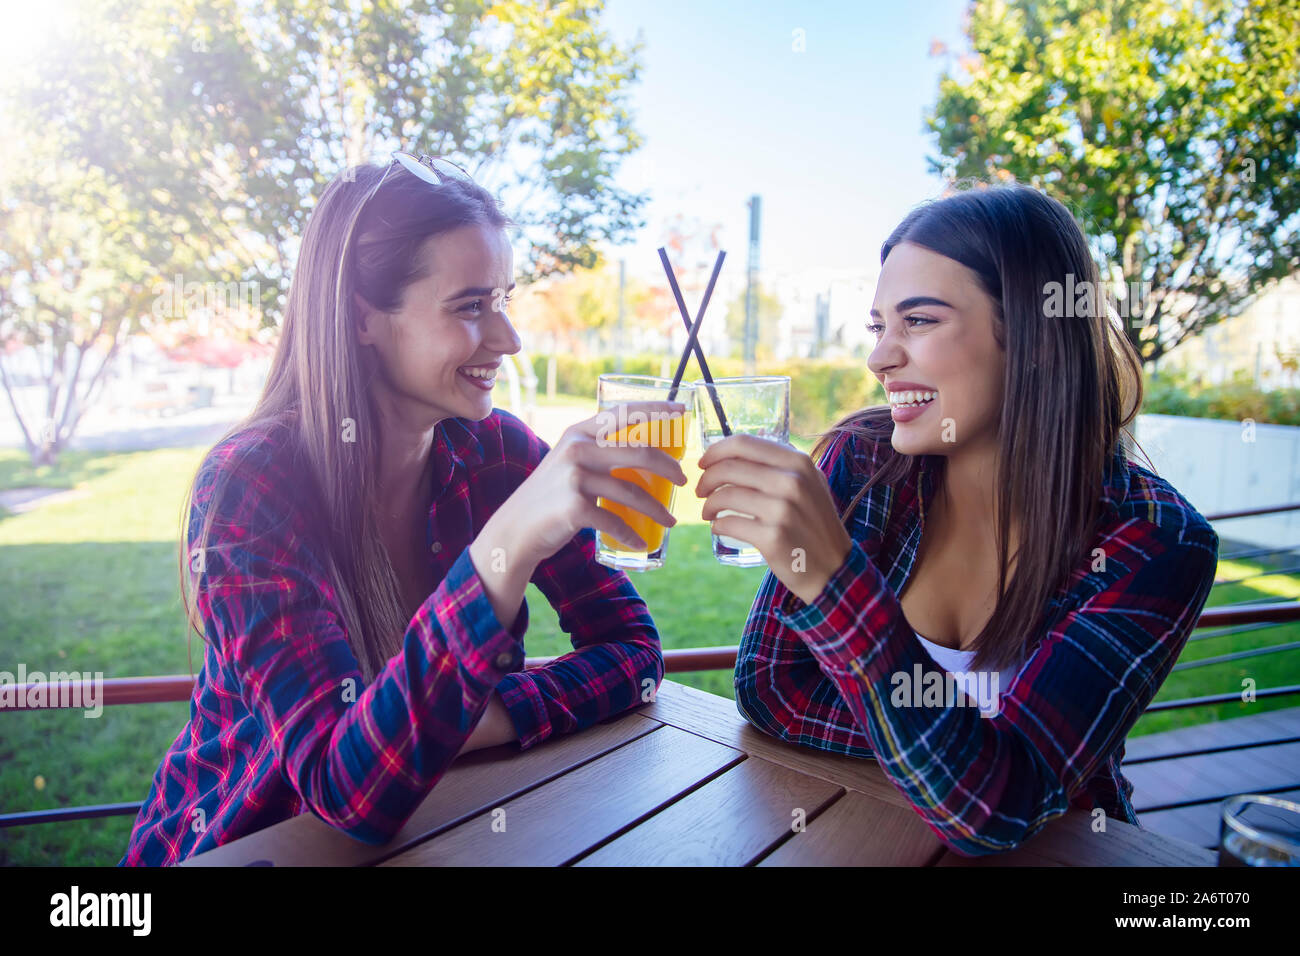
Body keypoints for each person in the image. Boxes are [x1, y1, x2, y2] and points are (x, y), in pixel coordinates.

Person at [120, 152, 687, 865]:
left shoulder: (498, 455)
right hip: (236, 847)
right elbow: (345, 791)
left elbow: (635, 653)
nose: (509, 340)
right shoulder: (250, 487)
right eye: (470, 306)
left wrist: (474, 720)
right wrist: (505, 546)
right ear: (363, 320)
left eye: (503, 299)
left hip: (438, 831)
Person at [695, 183, 1219, 857]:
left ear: (1033, 336)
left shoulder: (1156, 541)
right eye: (879, 326)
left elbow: (999, 810)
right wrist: (957, 760)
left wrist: (833, 580)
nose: (879, 357)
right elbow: (772, 689)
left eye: (919, 321)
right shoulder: (866, 461)